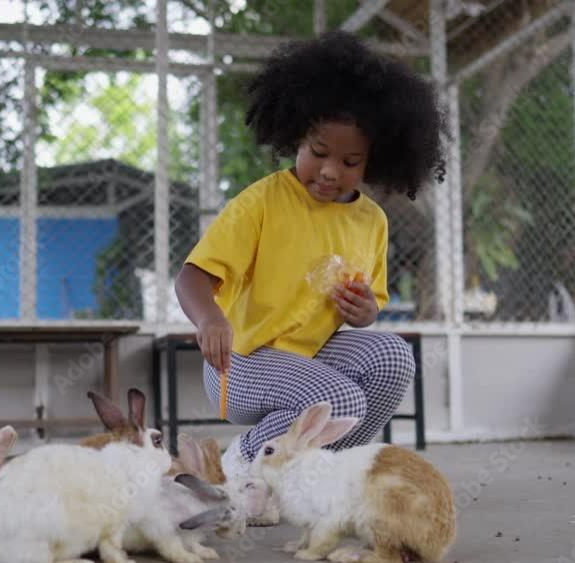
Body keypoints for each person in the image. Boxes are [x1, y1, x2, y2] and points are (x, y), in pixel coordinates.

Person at [174, 31, 447, 523]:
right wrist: (210, 318)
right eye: (318, 151)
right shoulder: (264, 201)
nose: (328, 171)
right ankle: (238, 465)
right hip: (242, 361)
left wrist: (365, 311)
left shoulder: (372, 222)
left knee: (393, 358)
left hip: (310, 362)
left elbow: (369, 310)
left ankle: (316, 476)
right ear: (296, 134)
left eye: (349, 162)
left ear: (376, 160)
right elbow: (191, 277)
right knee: (339, 396)